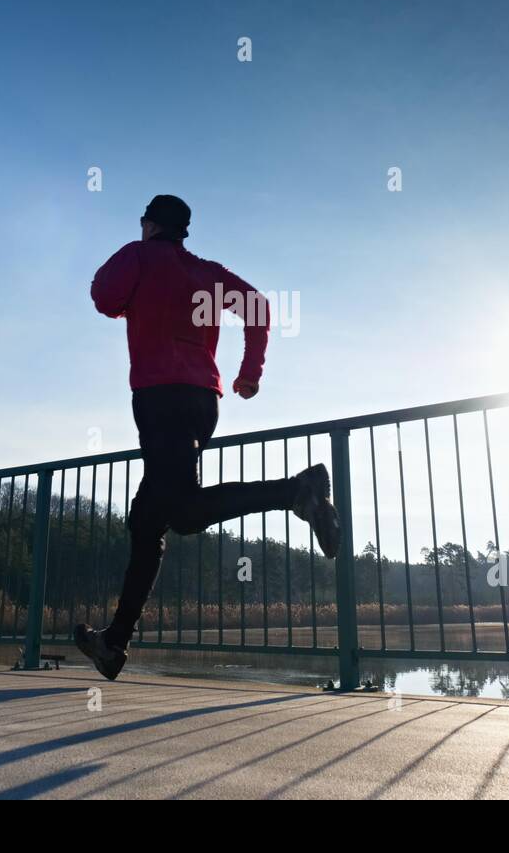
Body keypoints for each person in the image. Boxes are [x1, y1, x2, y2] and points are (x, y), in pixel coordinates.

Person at [74, 194, 340, 680]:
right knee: (146, 524)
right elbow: (258, 307)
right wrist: (250, 373)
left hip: (159, 397)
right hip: (203, 400)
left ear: (150, 225)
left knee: (184, 514)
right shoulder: (209, 274)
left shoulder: (138, 255)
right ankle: (113, 644)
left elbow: (103, 297)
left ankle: (296, 490)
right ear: (185, 231)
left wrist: (136, 266)